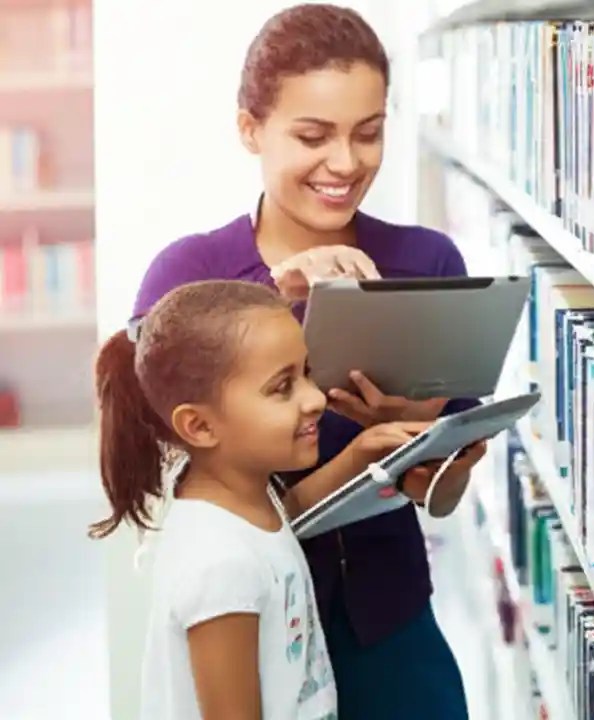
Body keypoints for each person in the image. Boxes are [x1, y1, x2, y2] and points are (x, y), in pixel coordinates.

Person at [130, 4, 479, 717]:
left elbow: (440, 499)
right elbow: (160, 479)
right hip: (248, 628)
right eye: (313, 135)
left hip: (393, 631)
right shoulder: (188, 277)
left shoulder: (425, 264)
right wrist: (277, 301)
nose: (346, 164)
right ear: (250, 128)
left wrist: (418, 427)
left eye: (370, 133)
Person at [91, 279, 433, 719]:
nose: (315, 399)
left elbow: (281, 525)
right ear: (199, 426)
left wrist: (363, 454)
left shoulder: (241, 499)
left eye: (307, 372)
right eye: (281, 387)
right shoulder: (220, 566)